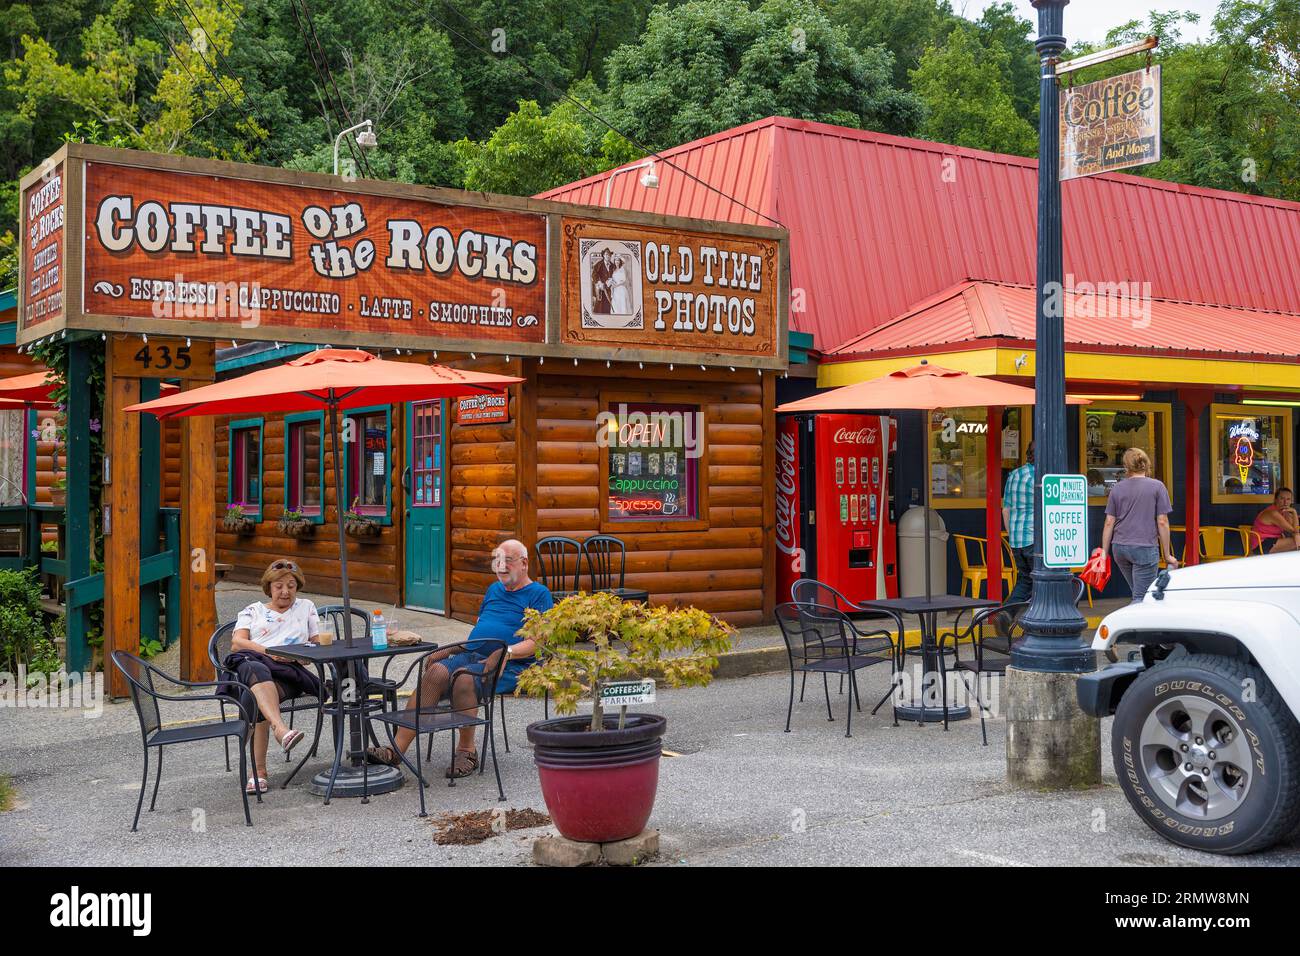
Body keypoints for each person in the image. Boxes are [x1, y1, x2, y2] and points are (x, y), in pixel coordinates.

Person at [367, 539, 553, 777]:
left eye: (507, 560)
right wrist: (451, 650)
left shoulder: (539, 594)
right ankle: (396, 750)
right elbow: (483, 629)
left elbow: (537, 642)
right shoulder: (494, 590)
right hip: (473, 652)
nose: (501, 566)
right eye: (497, 560)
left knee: (463, 678)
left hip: (512, 663)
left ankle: (467, 750)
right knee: (436, 672)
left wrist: (508, 651)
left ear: (524, 563)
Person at [223, 559, 321, 793]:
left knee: (255, 697)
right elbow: (237, 642)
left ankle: (258, 772)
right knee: (254, 669)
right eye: (279, 586)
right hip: (255, 665)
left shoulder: (306, 607)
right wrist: (271, 653)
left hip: (289, 675)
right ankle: (281, 730)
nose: (285, 591)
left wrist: (301, 656)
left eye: (291, 586)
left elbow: (317, 645)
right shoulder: (252, 610)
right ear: (269, 587)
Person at [1100, 448, 1179, 604]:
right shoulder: (1157, 487)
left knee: (1139, 591)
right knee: (1142, 597)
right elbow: (1162, 521)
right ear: (1146, 464)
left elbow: (1109, 522)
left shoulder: (1117, 488)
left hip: (1120, 548)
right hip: (1145, 548)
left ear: (1126, 466)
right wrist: (1167, 554)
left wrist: (1104, 552)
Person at [999, 441, 1035, 632]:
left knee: (1025, 580)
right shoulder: (1042, 477)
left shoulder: (1014, 475)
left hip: (1017, 538)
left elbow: (1006, 509)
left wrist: (1012, 537)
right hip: (1035, 538)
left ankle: (1007, 613)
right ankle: (1036, 625)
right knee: (1044, 581)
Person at [1251, 487, 1300, 553]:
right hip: (1261, 545)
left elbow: (1295, 530)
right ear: (1276, 499)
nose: (1285, 502)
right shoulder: (1273, 513)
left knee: (1297, 543)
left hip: (1272, 542)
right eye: (1282, 498)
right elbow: (1294, 530)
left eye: (1288, 499)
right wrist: (1294, 512)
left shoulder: (1283, 512)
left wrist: (1292, 514)